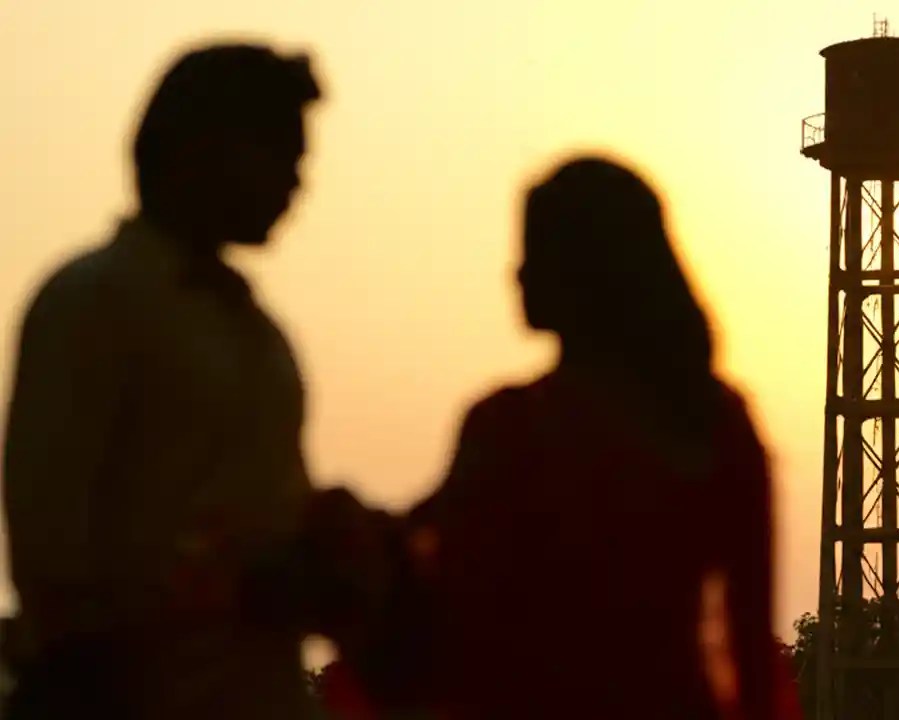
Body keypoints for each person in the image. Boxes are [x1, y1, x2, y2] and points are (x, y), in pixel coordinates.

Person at [2, 42, 330, 719]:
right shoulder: (94, 302)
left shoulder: (259, 336)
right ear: (199, 148)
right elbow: (51, 544)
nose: (297, 182)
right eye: (279, 154)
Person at [399, 156, 777, 719]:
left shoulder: (511, 427)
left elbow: (453, 630)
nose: (517, 274)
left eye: (535, 253)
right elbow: (752, 655)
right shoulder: (713, 421)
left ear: (585, 273)